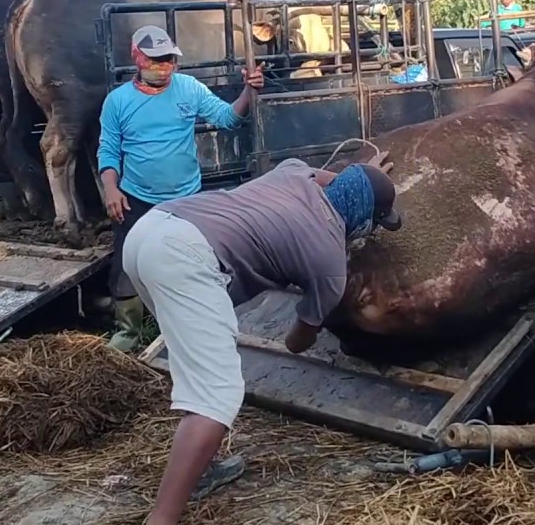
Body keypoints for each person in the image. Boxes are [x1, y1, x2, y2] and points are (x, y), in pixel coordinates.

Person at [122, 153, 401, 525]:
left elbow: (321, 175)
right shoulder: (330, 261)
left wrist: (363, 177)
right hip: (186, 259)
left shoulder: (294, 174)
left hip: (151, 229)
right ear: (364, 220)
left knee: (198, 371)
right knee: (217, 396)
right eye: (375, 223)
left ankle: (199, 467)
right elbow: (295, 344)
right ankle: (162, 519)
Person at [97, 24, 264, 351]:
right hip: (136, 198)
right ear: (138, 59)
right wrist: (111, 189)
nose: (164, 66)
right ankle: (128, 331)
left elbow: (227, 118)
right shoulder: (118, 102)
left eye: (169, 59)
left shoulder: (189, 88)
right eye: (156, 59)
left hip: (185, 198)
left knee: (194, 259)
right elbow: (108, 150)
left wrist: (248, 91)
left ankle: (196, 323)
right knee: (128, 264)